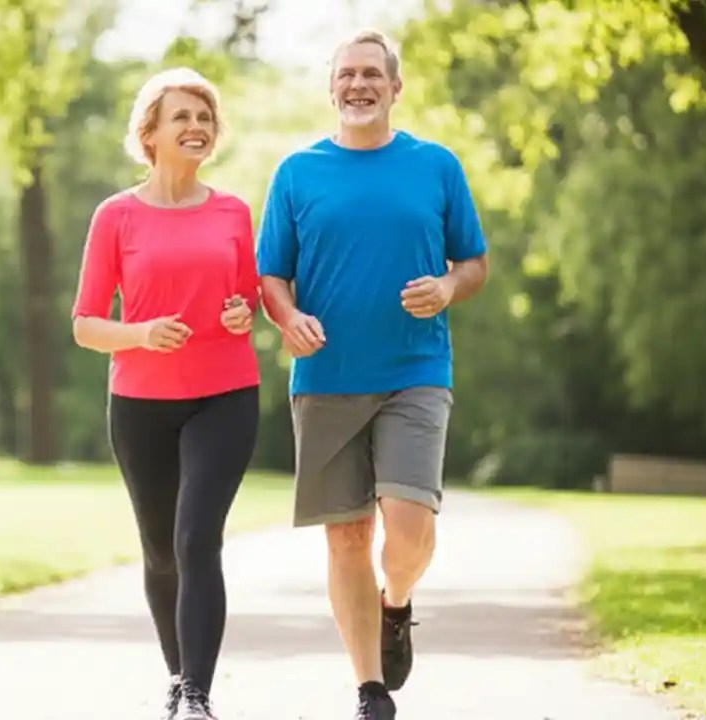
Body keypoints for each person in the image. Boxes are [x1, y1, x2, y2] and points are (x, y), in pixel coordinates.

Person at [255, 29, 489, 720]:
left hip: (416, 370)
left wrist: (448, 287)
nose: (358, 85)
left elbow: (474, 263)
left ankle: (398, 601)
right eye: (347, 75)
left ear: (395, 87)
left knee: (409, 531)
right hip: (325, 376)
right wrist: (288, 317)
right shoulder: (297, 172)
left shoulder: (435, 166)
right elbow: (271, 277)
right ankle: (369, 689)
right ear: (332, 88)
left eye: (371, 74)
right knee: (347, 536)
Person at [70, 67, 260, 720]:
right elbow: (85, 324)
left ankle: (197, 696)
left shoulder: (233, 212)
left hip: (224, 395)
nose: (196, 127)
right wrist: (142, 334)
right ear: (149, 133)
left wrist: (241, 314)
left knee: (196, 539)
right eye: (182, 116)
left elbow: (247, 299)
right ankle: (179, 675)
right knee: (159, 549)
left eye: (205, 118)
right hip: (141, 403)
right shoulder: (115, 216)